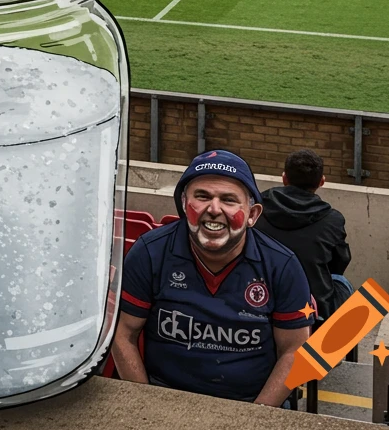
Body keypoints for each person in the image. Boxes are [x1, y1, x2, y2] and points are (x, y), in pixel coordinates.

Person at [113, 150, 314, 407]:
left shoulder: (282, 265)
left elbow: (294, 350)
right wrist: (145, 407)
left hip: (250, 402)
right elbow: (123, 333)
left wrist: (255, 417)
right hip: (164, 395)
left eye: (229, 200)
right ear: (185, 205)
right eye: (202, 196)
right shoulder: (149, 252)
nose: (214, 209)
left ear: (252, 214)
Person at [255, 150, 352, 323]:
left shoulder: (255, 210)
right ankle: (340, 350)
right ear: (321, 182)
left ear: (284, 178)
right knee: (342, 282)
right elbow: (339, 265)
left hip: (259, 302)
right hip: (315, 311)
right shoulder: (333, 220)